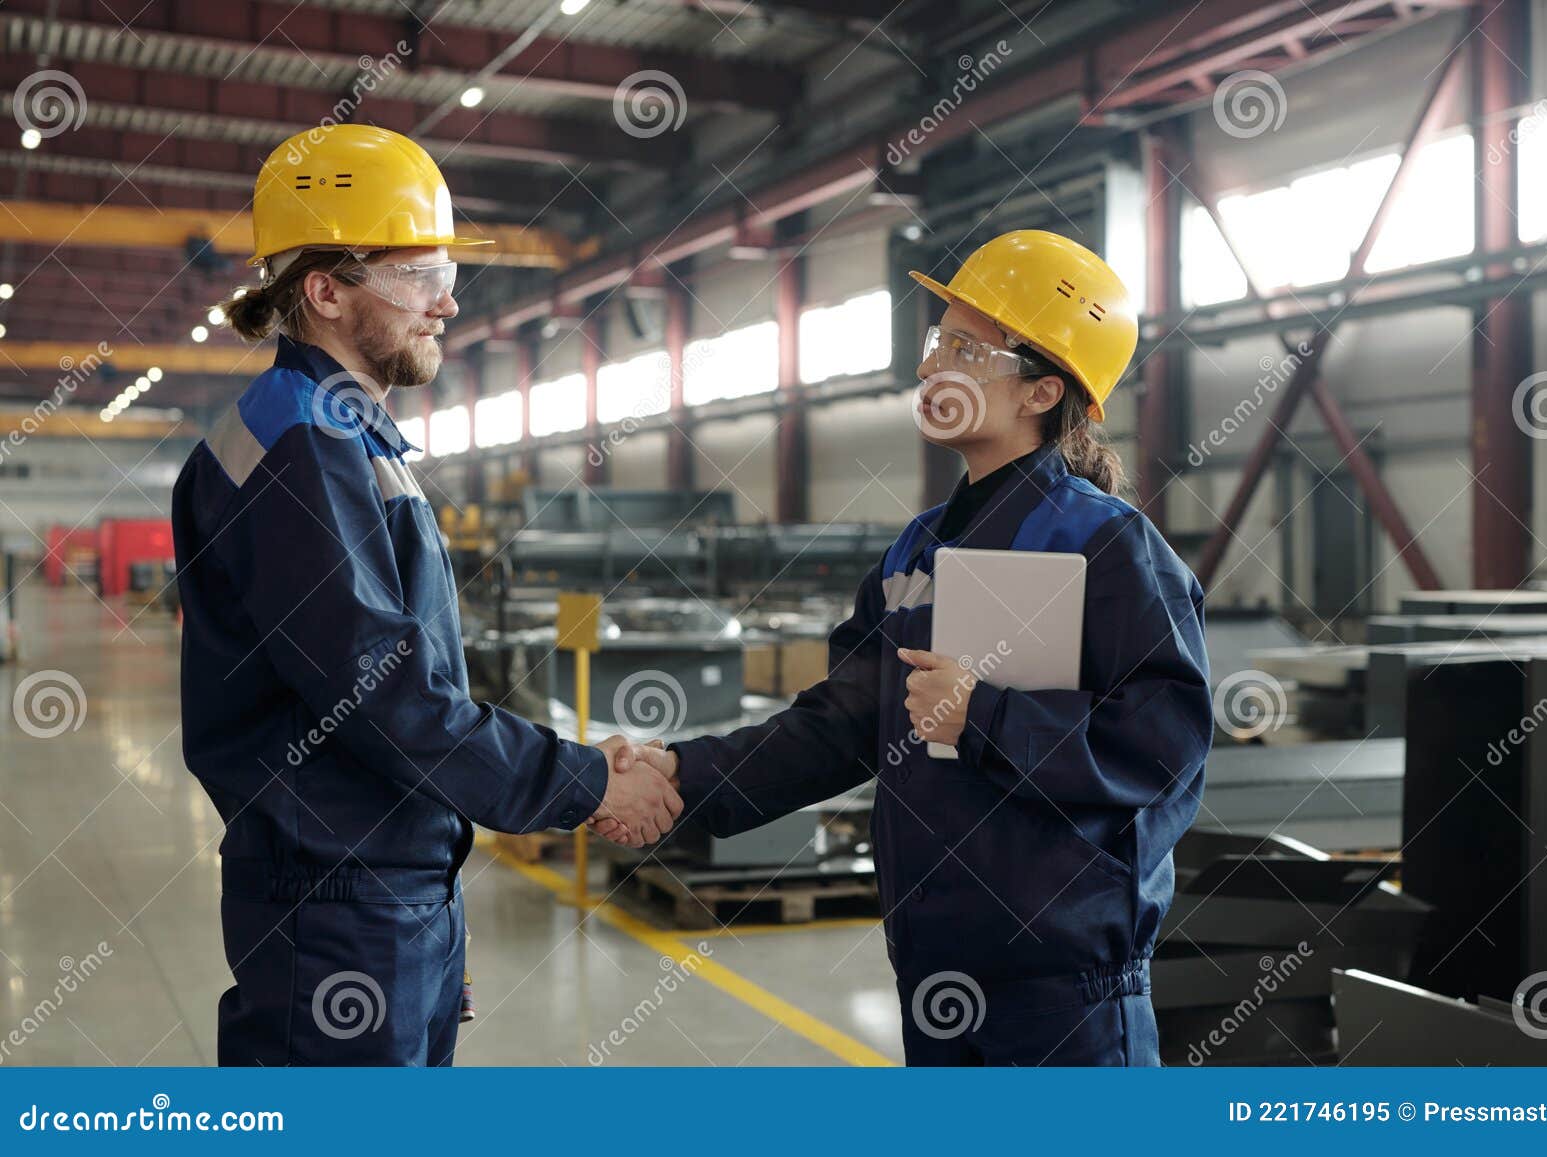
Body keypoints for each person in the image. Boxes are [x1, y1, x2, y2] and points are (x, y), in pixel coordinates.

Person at [604, 230, 1211, 1066]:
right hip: (934, 962)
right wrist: (682, 774)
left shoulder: (1109, 548)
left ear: (1040, 389)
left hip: (1060, 989)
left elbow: (1164, 750)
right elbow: (842, 725)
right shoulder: (916, 551)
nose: (931, 370)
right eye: (936, 343)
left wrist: (984, 716)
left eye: (965, 349)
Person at [171, 124, 681, 1067]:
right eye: (417, 275)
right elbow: (386, 696)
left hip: (386, 880)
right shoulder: (302, 448)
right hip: (339, 900)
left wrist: (573, 768)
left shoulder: (345, 438)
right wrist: (582, 780)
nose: (448, 301)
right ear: (324, 290)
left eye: (449, 271)